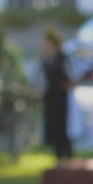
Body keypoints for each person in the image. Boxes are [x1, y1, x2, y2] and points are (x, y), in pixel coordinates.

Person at [39, 29, 76, 161]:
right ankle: (58, 157)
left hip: (61, 100)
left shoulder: (62, 60)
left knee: (62, 129)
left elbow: (71, 80)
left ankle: (66, 157)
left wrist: (64, 86)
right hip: (50, 99)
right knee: (53, 130)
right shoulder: (46, 60)